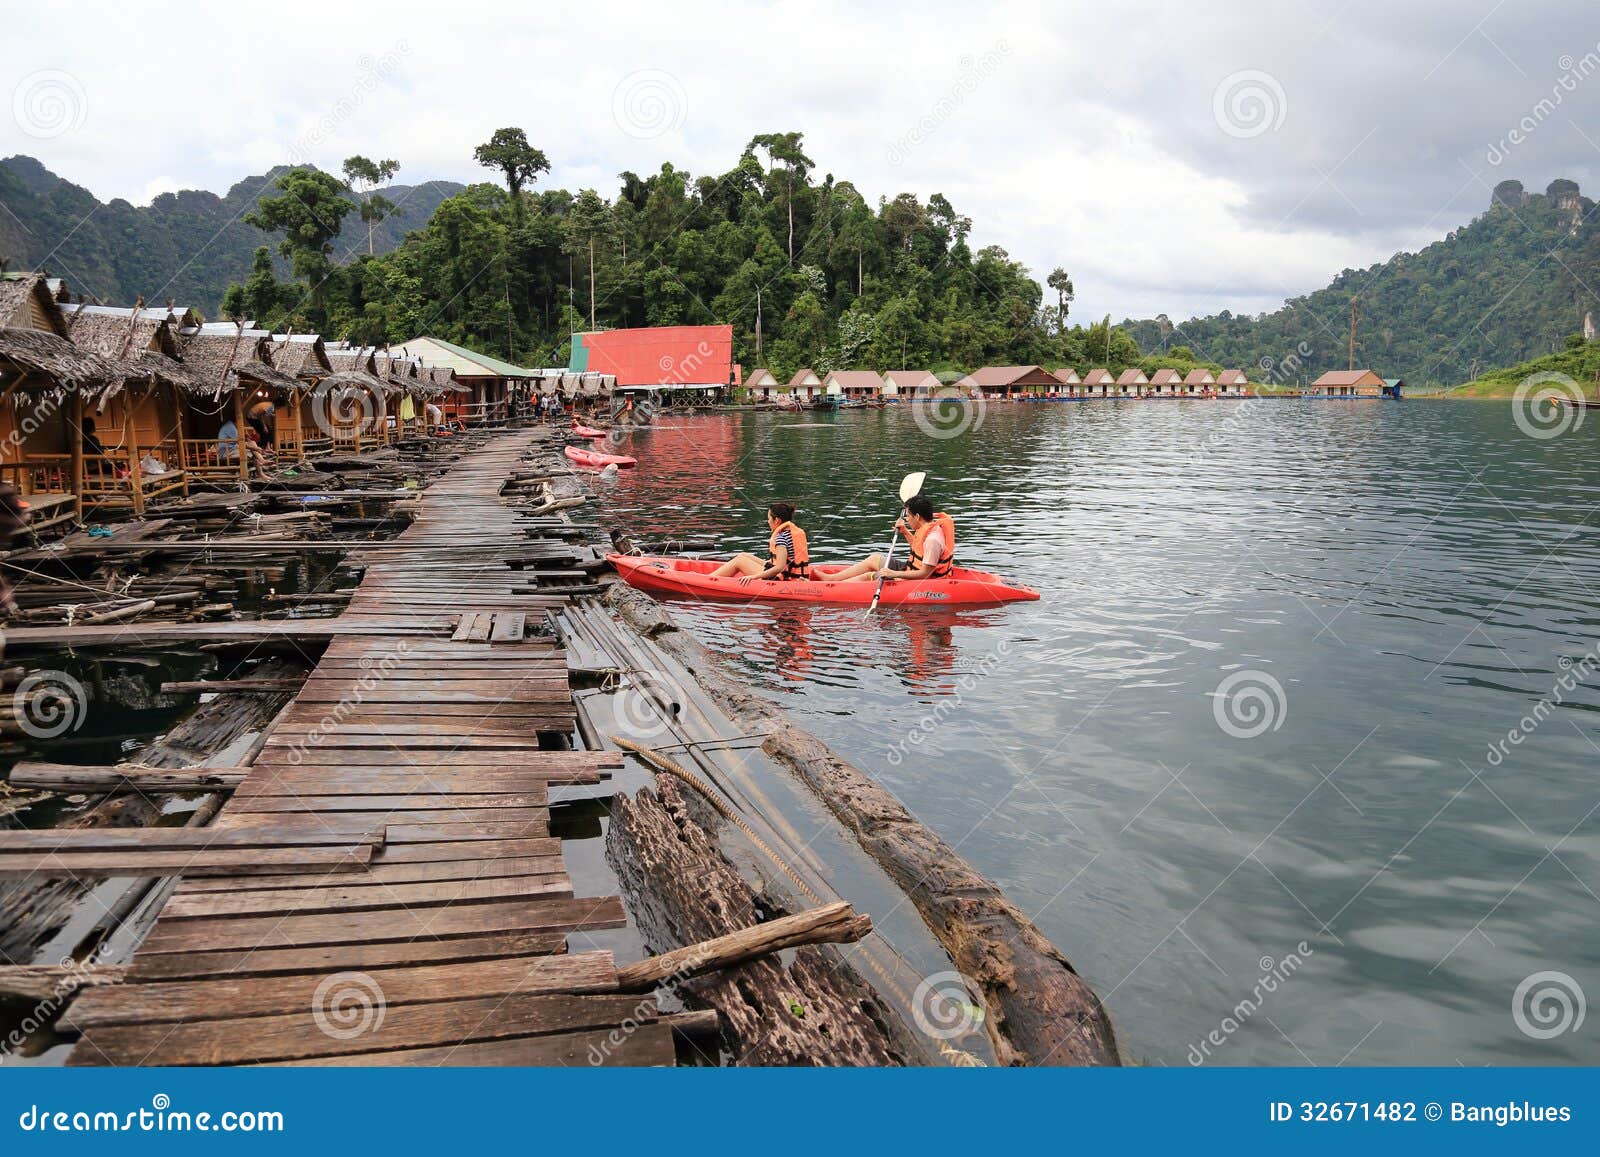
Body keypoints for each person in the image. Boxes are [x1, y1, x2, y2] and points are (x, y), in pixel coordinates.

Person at [822, 495, 955, 583]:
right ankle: (832, 579)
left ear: (917, 516)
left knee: (872, 575)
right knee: (875, 559)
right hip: (912, 569)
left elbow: (925, 573)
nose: (907, 520)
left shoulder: (933, 540)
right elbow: (919, 549)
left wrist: (893, 573)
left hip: (922, 581)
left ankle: (829, 588)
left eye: (908, 516)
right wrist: (905, 532)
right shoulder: (929, 526)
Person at [711, 502, 810, 583]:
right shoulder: (791, 532)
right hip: (791, 576)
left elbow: (780, 567)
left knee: (740, 561)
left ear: (777, 520)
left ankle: (708, 580)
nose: (768, 522)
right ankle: (712, 577)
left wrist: (754, 577)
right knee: (743, 555)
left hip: (783, 579)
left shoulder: (781, 538)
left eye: (769, 518)